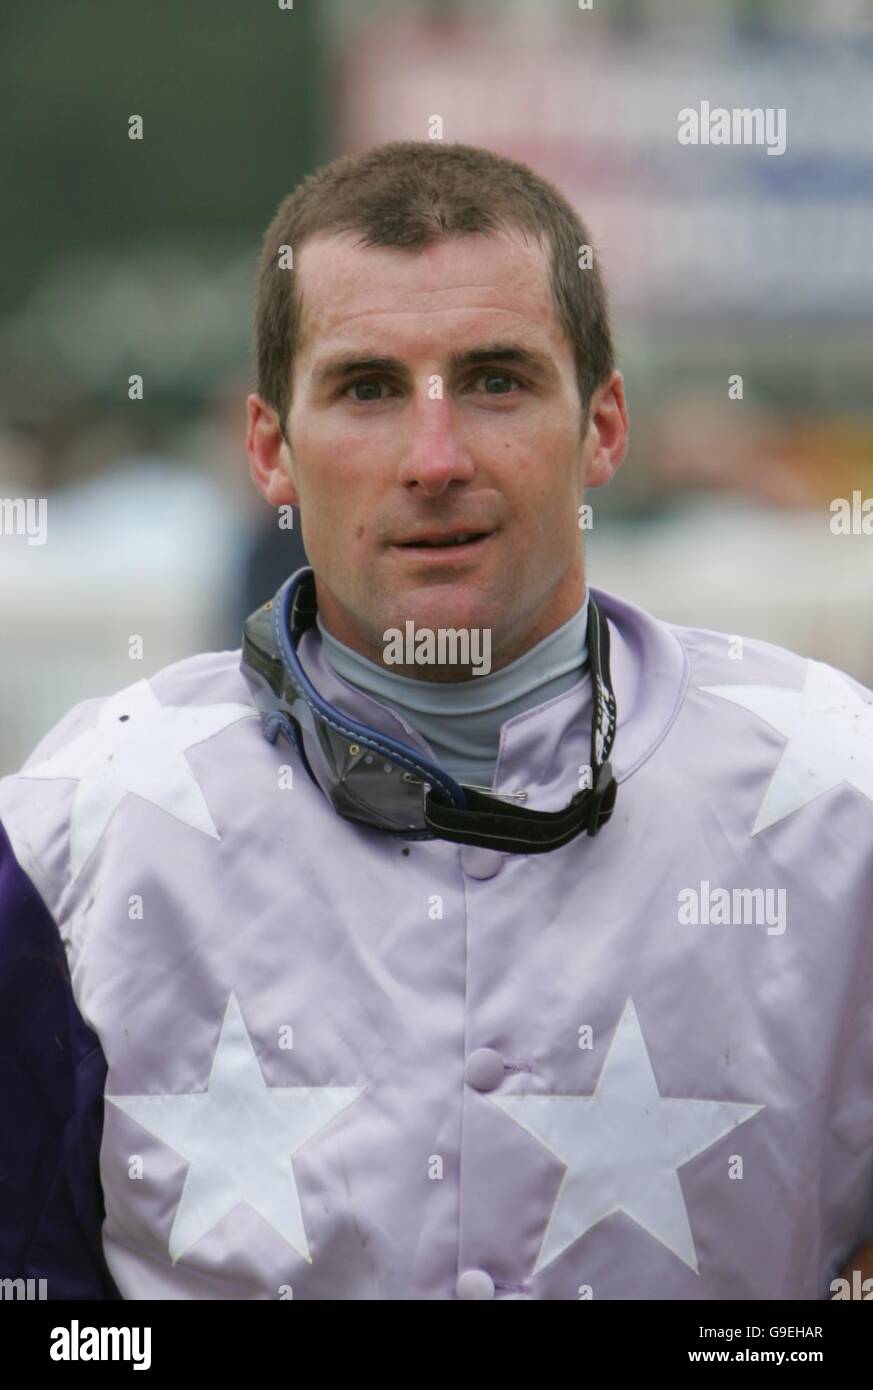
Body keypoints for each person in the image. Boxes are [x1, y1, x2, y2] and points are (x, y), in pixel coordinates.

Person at [2, 140, 872, 1302]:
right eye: (366, 389)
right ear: (270, 448)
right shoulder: (74, 832)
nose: (435, 458)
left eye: (497, 380)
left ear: (605, 426)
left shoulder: (841, 797)